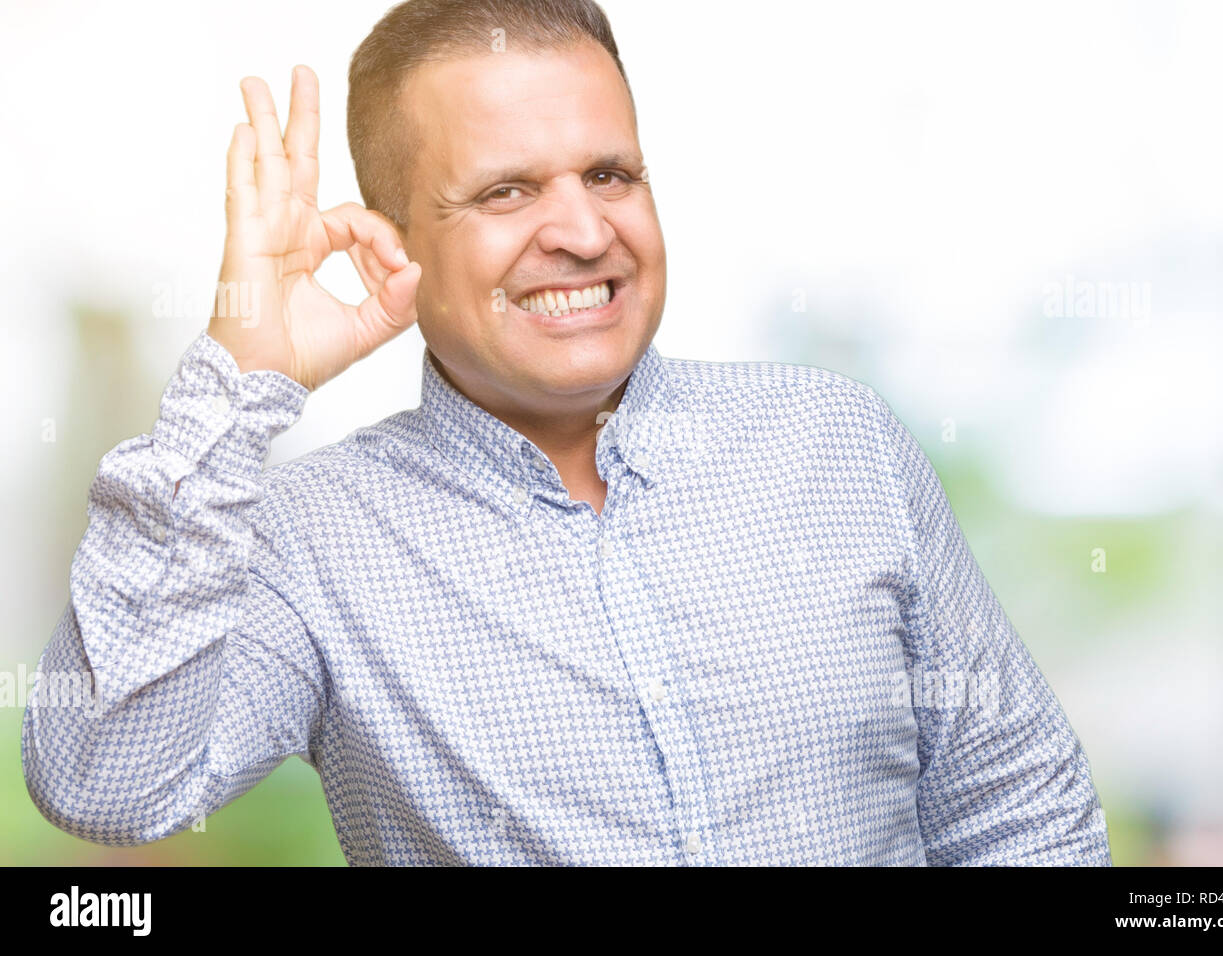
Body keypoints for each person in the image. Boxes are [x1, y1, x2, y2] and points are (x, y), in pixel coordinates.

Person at [21, 0, 1111, 866]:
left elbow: (1018, 812)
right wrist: (241, 378)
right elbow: (103, 781)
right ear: (390, 245)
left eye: (609, 173)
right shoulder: (309, 541)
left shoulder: (839, 444)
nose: (585, 231)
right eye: (506, 190)